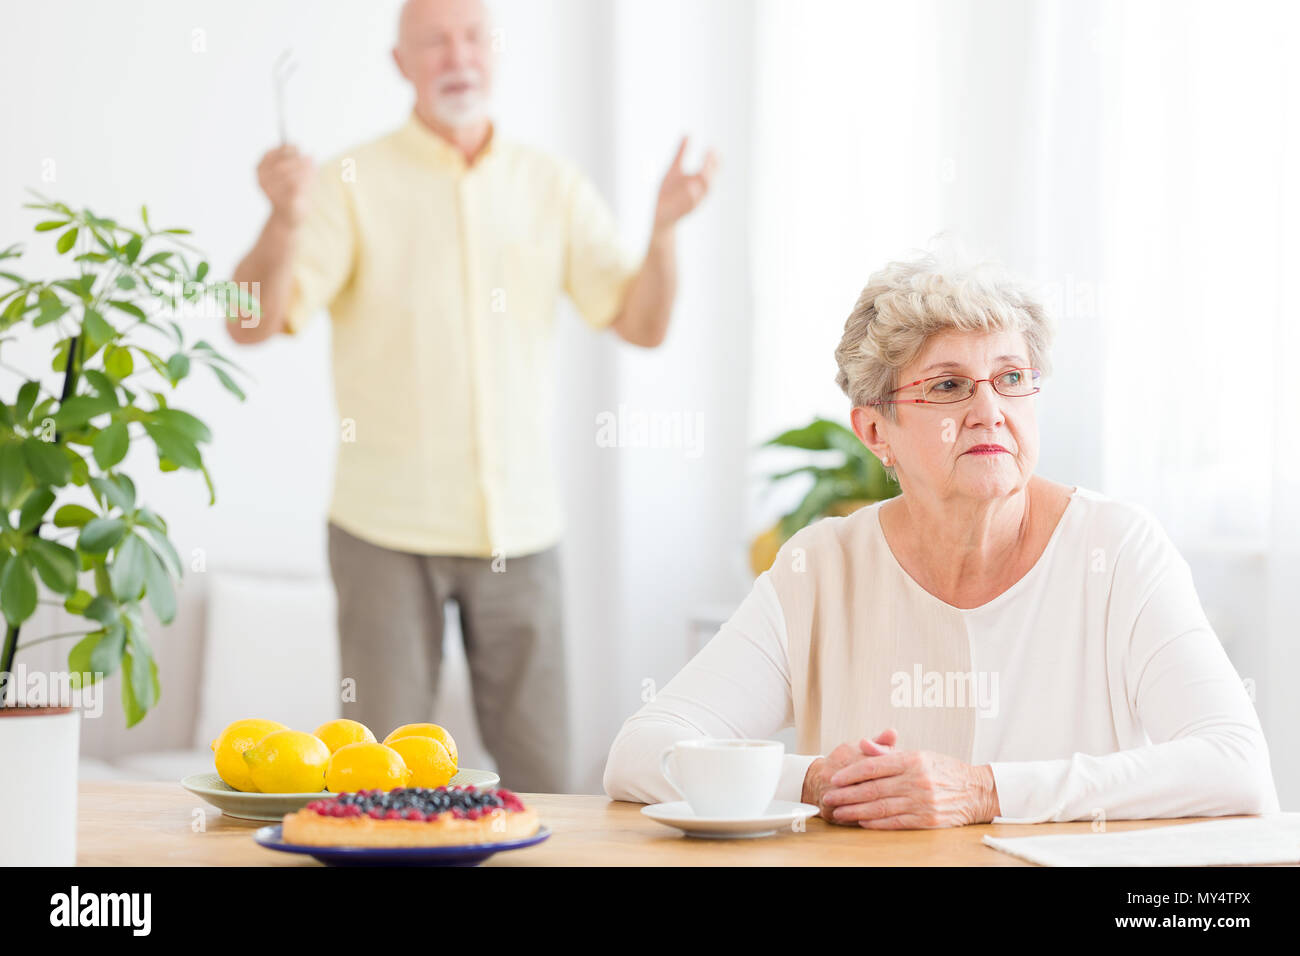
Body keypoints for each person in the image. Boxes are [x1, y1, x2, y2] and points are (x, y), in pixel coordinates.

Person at [603, 247, 1279, 826]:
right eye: (951, 386)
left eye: (1011, 378)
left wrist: (984, 791)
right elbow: (640, 756)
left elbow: (1236, 766)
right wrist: (813, 784)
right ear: (875, 431)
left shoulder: (1120, 548)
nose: (990, 412)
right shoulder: (821, 567)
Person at [227, 0, 717, 793]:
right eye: (433, 41)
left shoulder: (549, 183)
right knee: (375, 784)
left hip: (522, 531)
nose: (456, 55)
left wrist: (663, 230)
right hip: (383, 531)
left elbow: (642, 323)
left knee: (544, 781)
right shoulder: (350, 181)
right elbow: (247, 322)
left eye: (471, 37)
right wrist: (282, 222)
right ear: (400, 64)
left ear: (494, 52)